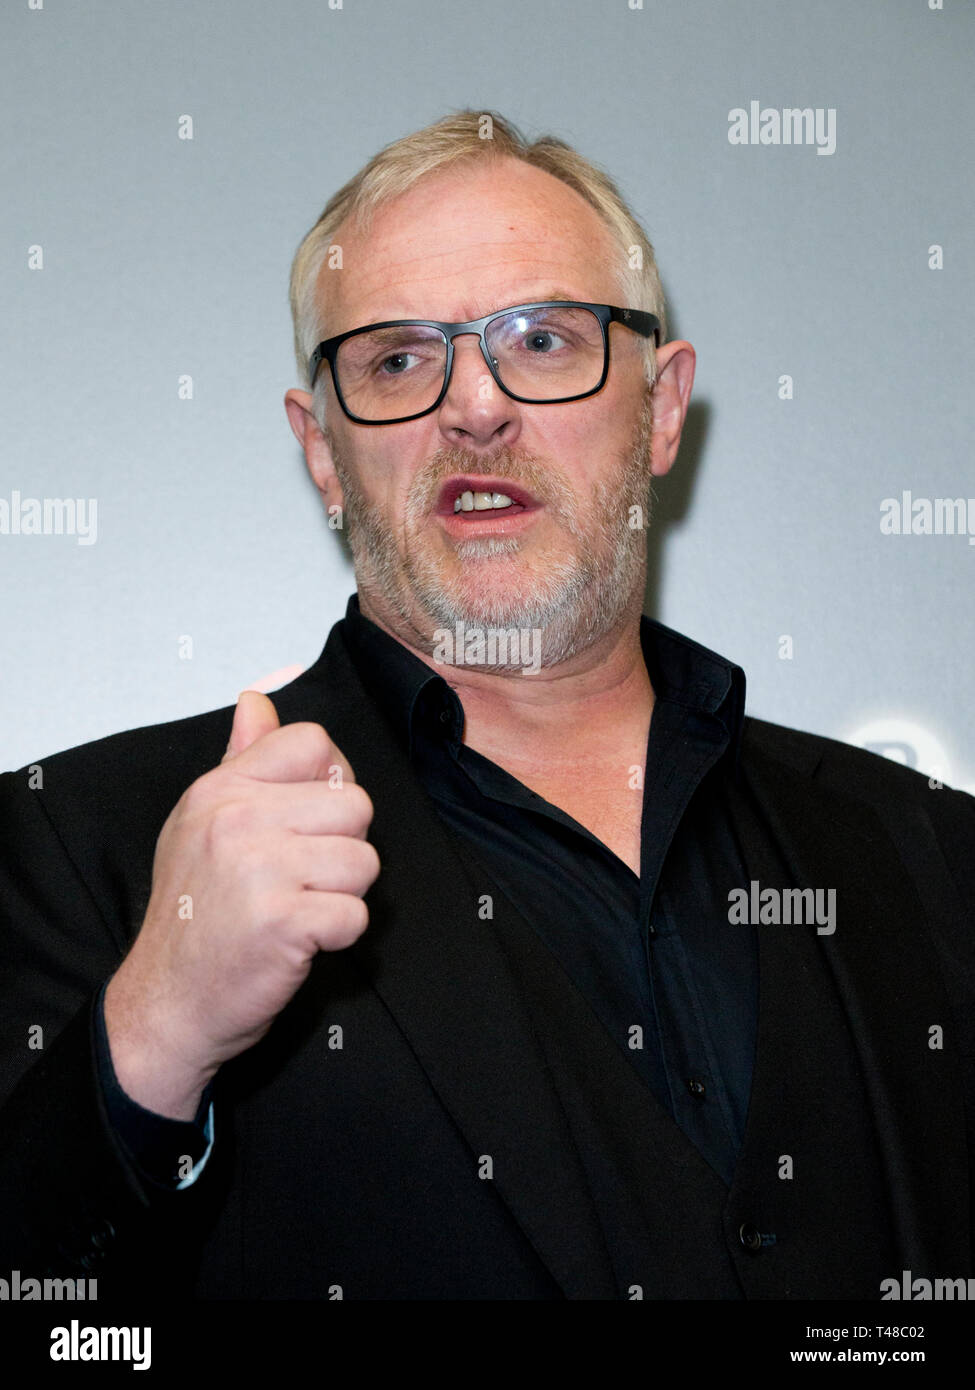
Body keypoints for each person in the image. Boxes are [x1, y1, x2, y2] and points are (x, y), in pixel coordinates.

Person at [1, 110, 973, 1301]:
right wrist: (152, 1036)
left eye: (545, 339)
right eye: (398, 360)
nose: (475, 408)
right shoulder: (85, 843)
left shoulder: (927, 847)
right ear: (321, 449)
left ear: (663, 407)